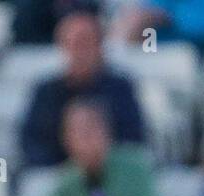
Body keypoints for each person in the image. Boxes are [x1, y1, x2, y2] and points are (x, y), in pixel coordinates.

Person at [19, 9, 145, 168]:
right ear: (63, 46)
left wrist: (99, 162)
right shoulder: (46, 92)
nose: (81, 51)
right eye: (75, 43)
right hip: (58, 177)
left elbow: (133, 140)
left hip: (113, 176)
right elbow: (33, 143)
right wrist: (71, 173)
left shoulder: (121, 88)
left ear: (100, 45)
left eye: (87, 42)